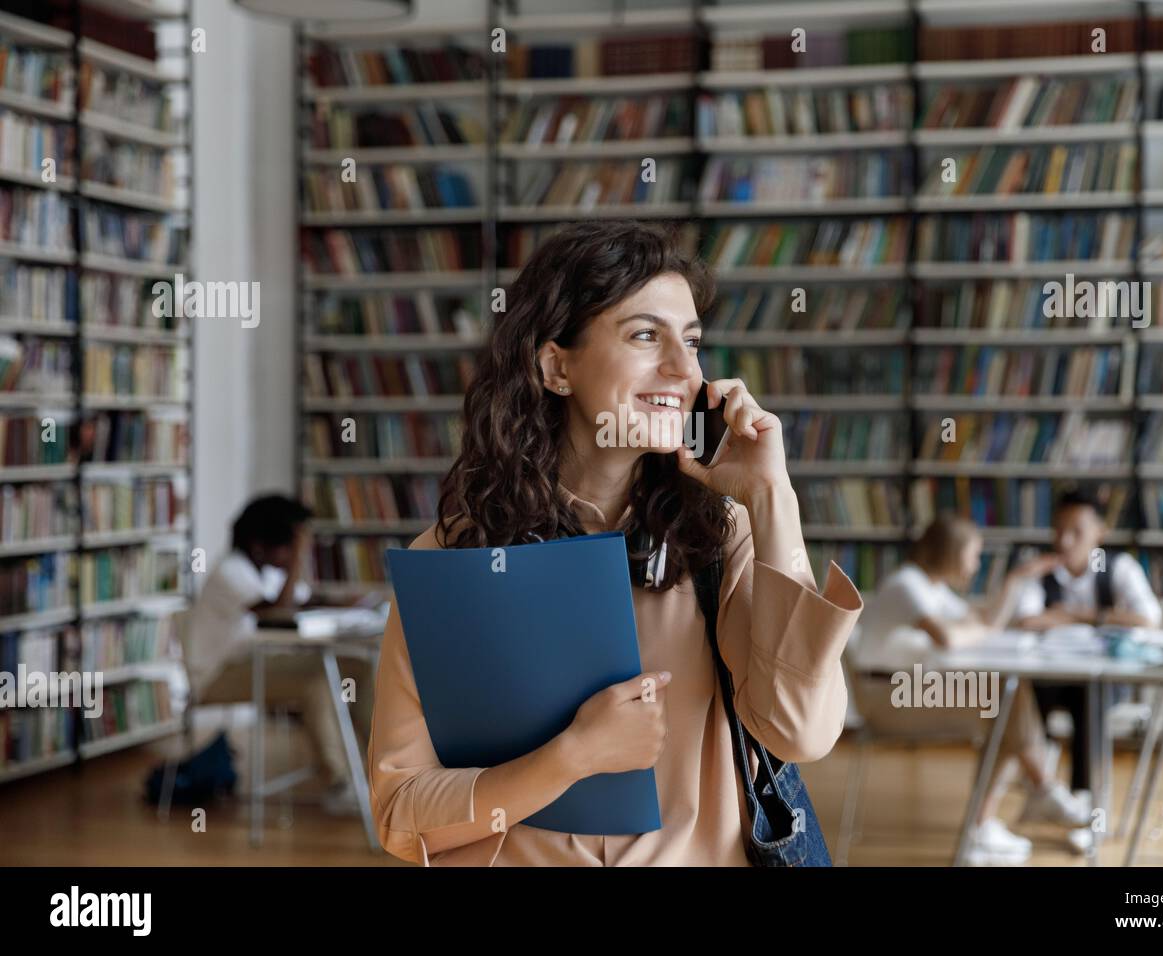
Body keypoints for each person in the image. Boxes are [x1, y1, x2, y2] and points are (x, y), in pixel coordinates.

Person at [367, 220, 863, 866]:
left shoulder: (718, 537)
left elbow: (801, 731)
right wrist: (570, 758)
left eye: (691, 342)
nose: (684, 371)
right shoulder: (451, 560)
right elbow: (401, 815)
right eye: (644, 336)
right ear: (556, 366)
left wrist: (772, 497)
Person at [852, 513, 1091, 864]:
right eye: (973, 554)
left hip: (906, 688)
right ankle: (1031, 795)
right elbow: (948, 637)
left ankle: (988, 824)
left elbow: (983, 621)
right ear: (951, 552)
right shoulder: (906, 584)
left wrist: (1014, 581)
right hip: (886, 699)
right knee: (1005, 704)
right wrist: (980, 630)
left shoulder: (931, 587)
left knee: (1007, 702)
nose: (976, 564)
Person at [188, 493, 374, 813]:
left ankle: (385, 766)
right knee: (316, 682)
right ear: (260, 545)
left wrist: (346, 601)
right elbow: (275, 611)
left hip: (259, 664)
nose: (294, 555)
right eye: (291, 546)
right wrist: (297, 560)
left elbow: (303, 599)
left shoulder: (267, 572)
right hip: (219, 675)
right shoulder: (230, 571)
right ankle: (340, 782)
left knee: (358, 668)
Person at [1012, 489, 1163, 799]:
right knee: (1014, 696)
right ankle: (1042, 787)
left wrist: (1072, 614)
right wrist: (1108, 618)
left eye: (1076, 532)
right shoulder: (1040, 569)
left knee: (1088, 697)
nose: (1065, 541)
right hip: (1050, 677)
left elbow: (1148, 619)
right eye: (1059, 530)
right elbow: (1027, 620)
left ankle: (1083, 799)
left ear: (1099, 532)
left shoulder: (1119, 567)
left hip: (1104, 682)